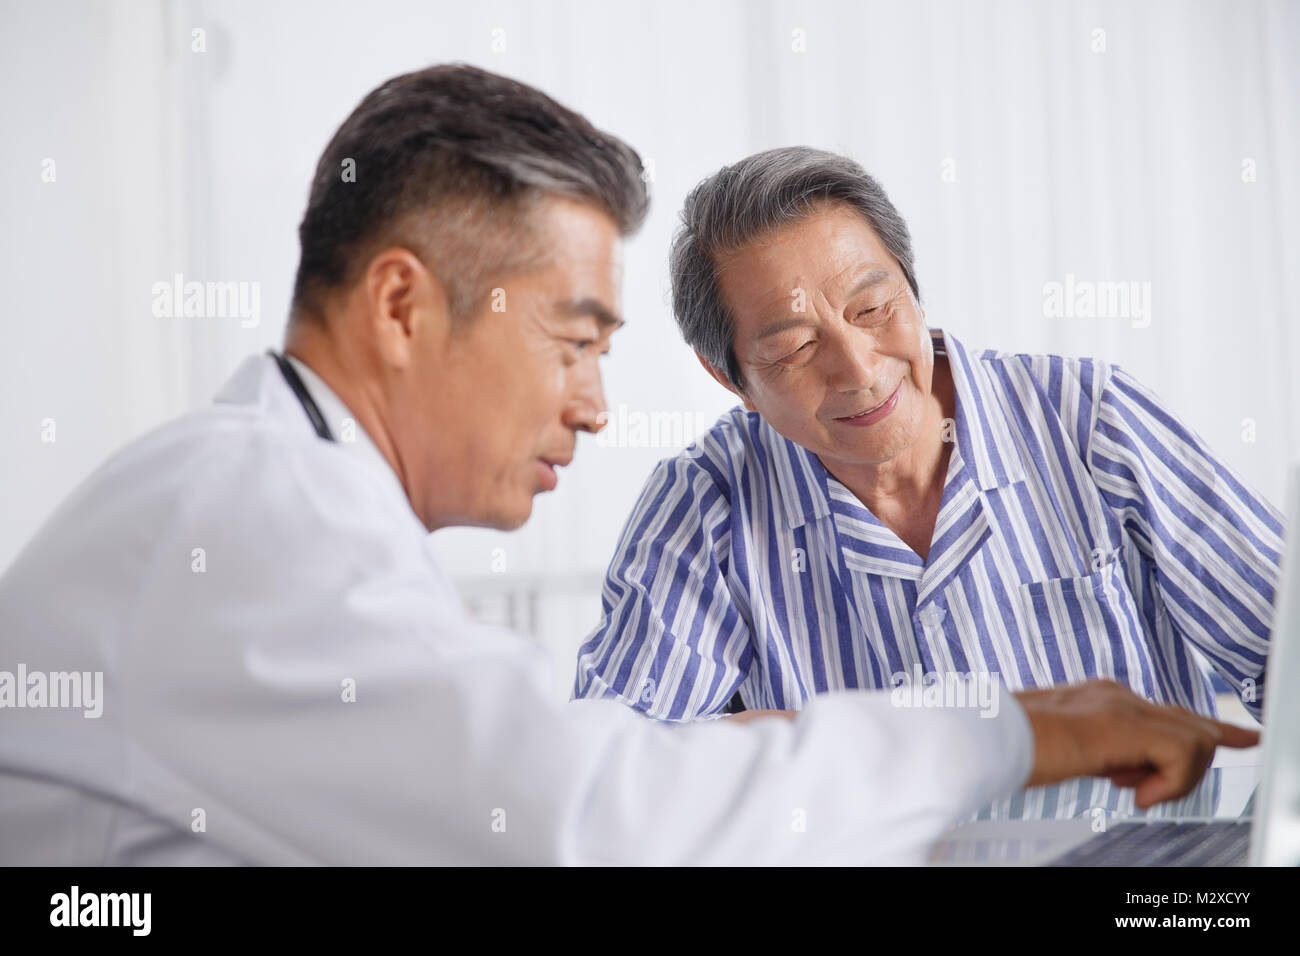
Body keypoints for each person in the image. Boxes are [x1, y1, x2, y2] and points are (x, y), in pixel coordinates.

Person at [0, 67, 1257, 866]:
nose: (598, 407)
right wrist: (1016, 725)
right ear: (401, 305)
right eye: (572, 340)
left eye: (873, 307)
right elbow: (592, 811)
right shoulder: (255, 517)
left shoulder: (280, 501)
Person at [572, 146, 1280, 821]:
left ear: (912, 287)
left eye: (873, 309)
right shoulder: (705, 505)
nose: (858, 368)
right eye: (794, 347)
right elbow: (611, 780)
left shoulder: (1090, 419)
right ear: (731, 379)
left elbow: (1287, 654)